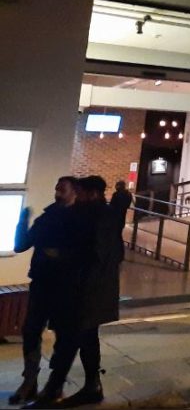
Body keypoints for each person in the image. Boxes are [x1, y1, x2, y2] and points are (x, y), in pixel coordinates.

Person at [30, 175, 124, 408]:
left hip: (86, 293)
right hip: (87, 292)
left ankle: (53, 391)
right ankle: (91, 386)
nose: (78, 196)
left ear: (92, 194)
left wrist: (60, 256)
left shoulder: (100, 217)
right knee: (86, 339)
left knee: (70, 341)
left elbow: (95, 254)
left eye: (81, 192)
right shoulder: (99, 215)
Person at [10, 176, 77, 406]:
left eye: (62, 189)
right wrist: (22, 220)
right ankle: (29, 382)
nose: (57, 192)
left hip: (64, 288)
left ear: (74, 192)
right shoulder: (47, 217)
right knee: (30, 331)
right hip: (41, 283)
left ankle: (54, 386)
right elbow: (21, 245)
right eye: (57, 188)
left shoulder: (78, 220)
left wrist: (58, 255)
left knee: (62, 336)